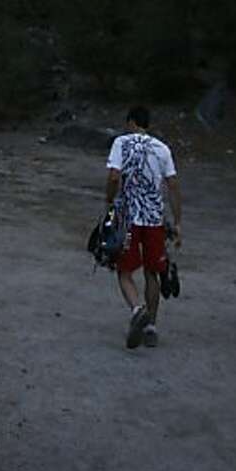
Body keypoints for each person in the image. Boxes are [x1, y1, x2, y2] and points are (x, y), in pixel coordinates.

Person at [104, 104, 181, 349]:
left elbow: (114, 177)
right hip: (154, 220)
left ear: (130, 122)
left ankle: (137, 310)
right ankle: (151, 327)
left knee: (124, 270)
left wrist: (109, 200)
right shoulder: (162, 149)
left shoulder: (121, 143)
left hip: (128, 218)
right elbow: (173, 186)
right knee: (152, 271)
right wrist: (177, 222)